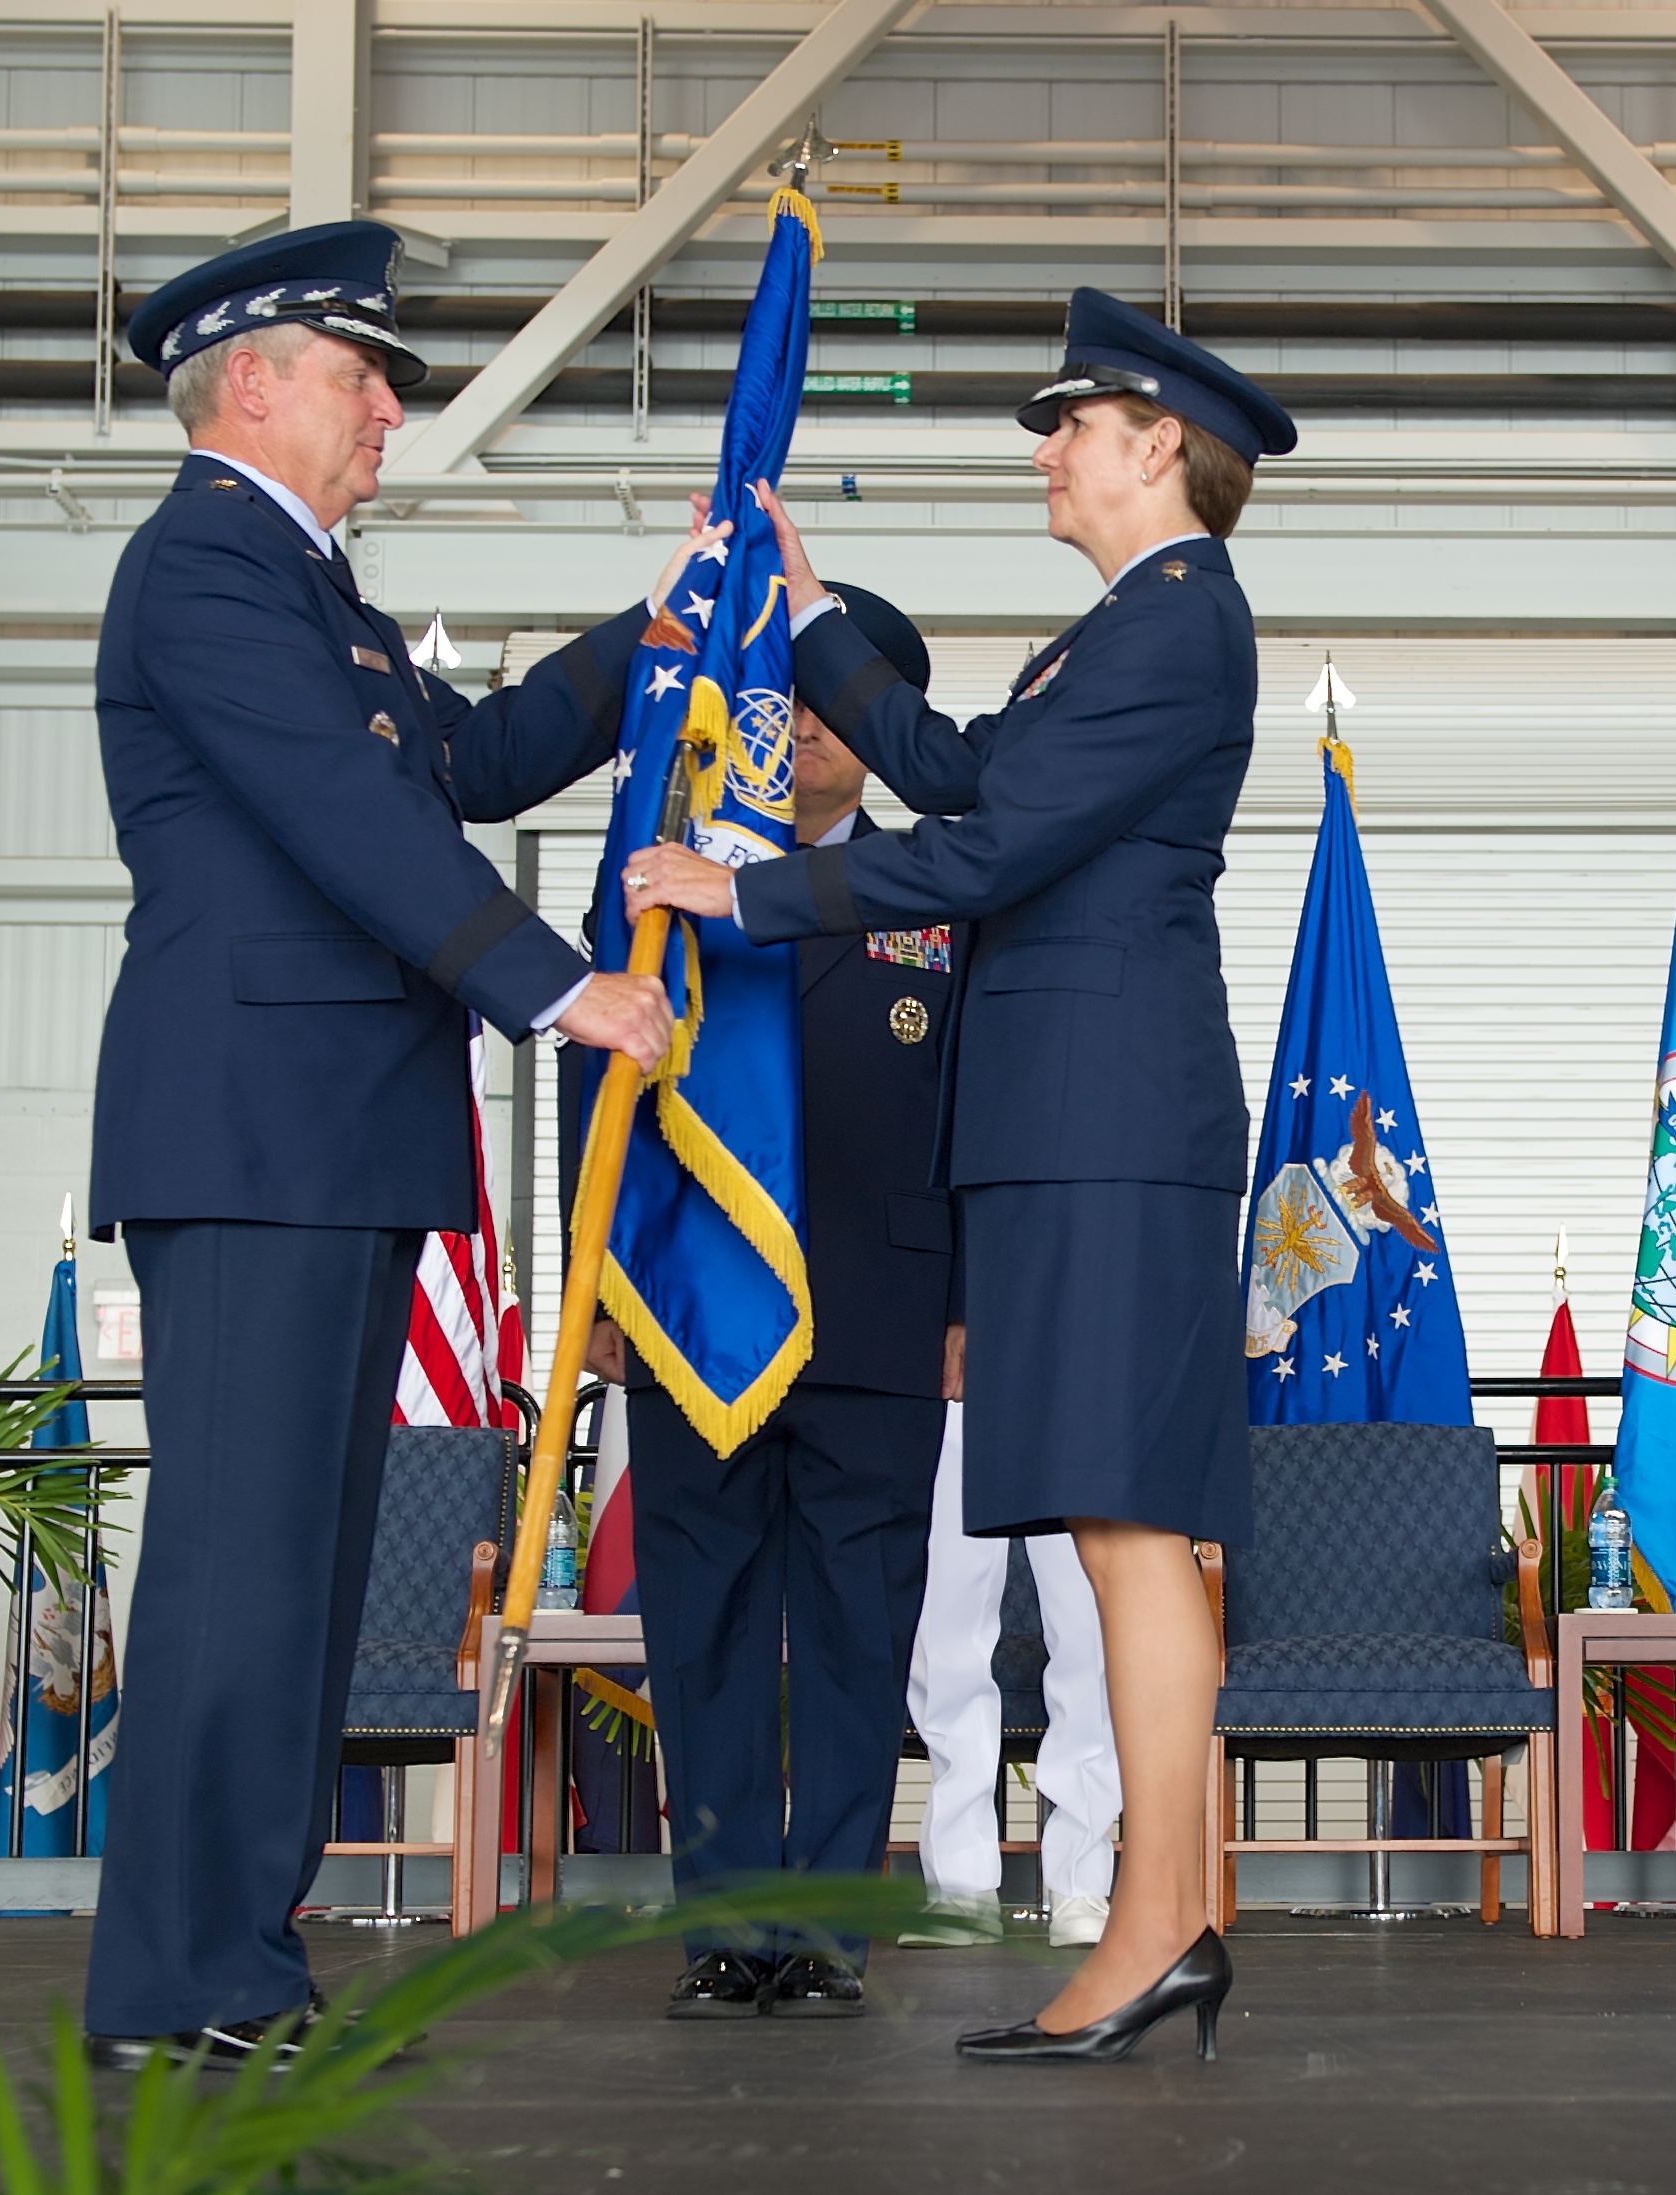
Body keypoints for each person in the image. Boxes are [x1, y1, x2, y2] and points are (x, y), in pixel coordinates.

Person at [624, 287, 1292, 2064]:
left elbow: (983, 848)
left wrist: (742, 893)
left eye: (1074, 424)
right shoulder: (1119, 634)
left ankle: (1158, 1927)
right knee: (1115, 1524)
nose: (1049, 450)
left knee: (1131, 1526)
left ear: (1160, 446)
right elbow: (955, 764)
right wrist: (810, 611)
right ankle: (1165, 1924)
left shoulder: (1176, 622)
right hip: (1075, 1125)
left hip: (1106, 1124)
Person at [83, 220, 678, 2069]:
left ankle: (238, 1963)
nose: (390, 413)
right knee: (237, 1575)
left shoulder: (309, 586)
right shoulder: (206, 564)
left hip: (327, 1139)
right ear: (251, 384)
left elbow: (468, 762)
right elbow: (346, 810)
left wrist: (650, 633)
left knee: (303, 1582)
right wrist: (558, 987)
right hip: (254, 1134)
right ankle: (179, 1981)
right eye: (363, 378)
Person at [584, 583, 961, 2022]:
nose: (800, 722)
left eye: (832, 696)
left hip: (883, 1311)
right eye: (782, 696)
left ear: (883, 721)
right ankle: (725, 1926)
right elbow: (595, 1086)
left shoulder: (944, 886)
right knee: (707, 1620)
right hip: (693, 1307)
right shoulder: (660, 872)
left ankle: (829, 1931)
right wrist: (600, 1281)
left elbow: (978, 1106)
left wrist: (973, 1302)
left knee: (861, 1630)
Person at [900, 1401, 1120, 1952]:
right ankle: (960, 1884)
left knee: (1088, 1632)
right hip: (958, 1374)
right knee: (945, 1631)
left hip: (1071, 1370)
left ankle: (1081, 1881)